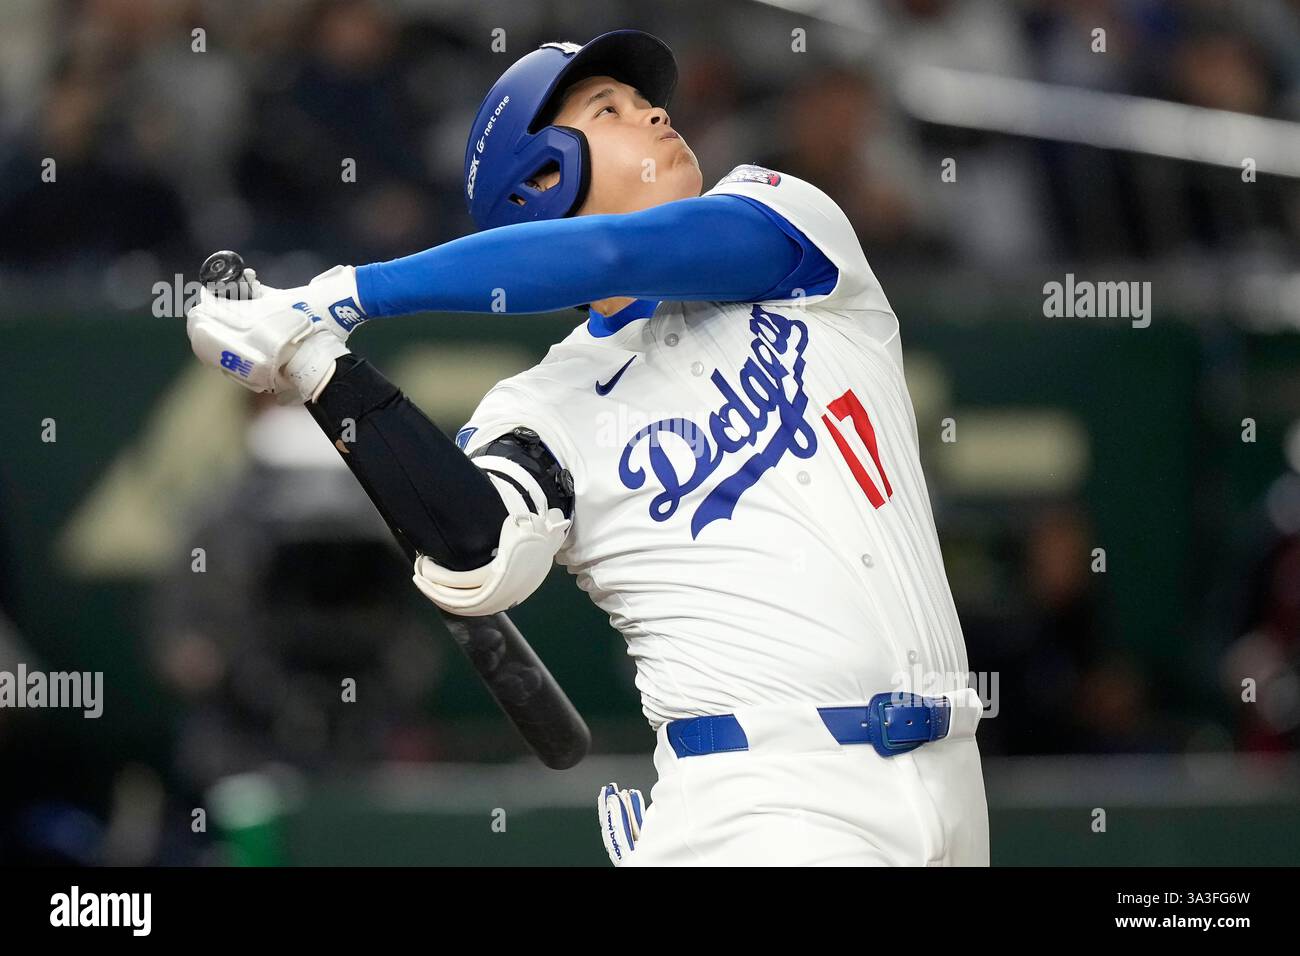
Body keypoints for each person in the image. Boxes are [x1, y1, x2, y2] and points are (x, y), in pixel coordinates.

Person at [185, 30, 989, 866]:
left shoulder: (790, 222)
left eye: (645, 101)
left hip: (951, 768)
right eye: (609, 109)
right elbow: (477, 553)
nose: (654, 112)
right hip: (765, 802)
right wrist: (318, 365)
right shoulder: (541, 408)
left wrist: (340, 296)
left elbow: (612, 253)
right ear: (542, 180)